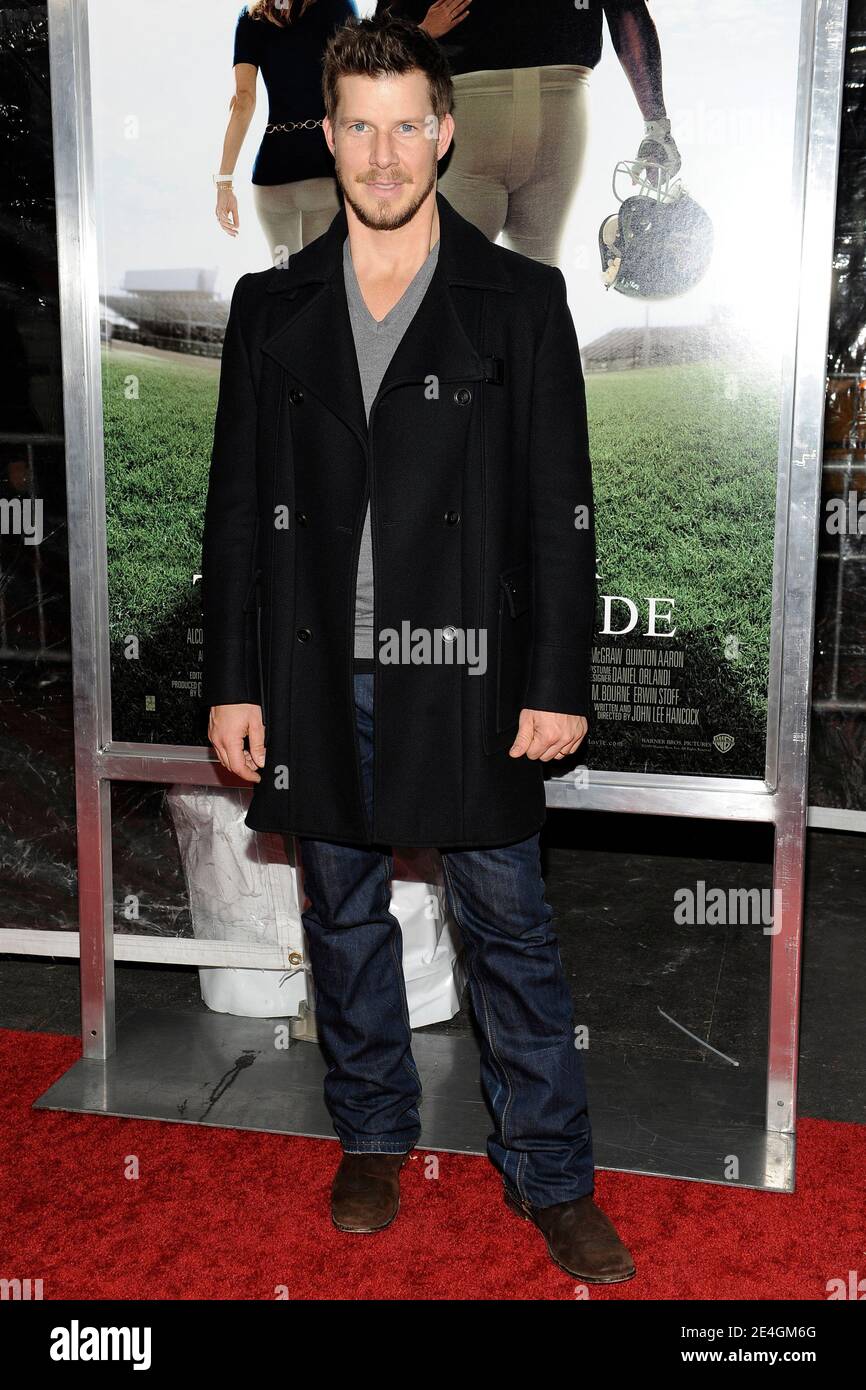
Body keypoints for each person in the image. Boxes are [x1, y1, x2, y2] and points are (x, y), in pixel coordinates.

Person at [201, 11, 635, 1283]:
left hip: (474, 676)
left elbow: (563, 502)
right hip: (316, 670)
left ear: (444, 132)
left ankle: (550, 1174)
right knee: (339, 917)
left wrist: (558, 679)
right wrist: (235, 679)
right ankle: (374, 1134)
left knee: (509, 928)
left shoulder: (521, 298)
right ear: (325, 137)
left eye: (407, 126)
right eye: (359, 128)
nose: (383, 155)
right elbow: (237, 511)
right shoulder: (269, 304)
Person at [378, 0, 681, 267]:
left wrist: (420, 34)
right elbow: (627, 13)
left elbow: (379, 46)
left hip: (474, 109)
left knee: (455, 277)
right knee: (540, 274)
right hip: (560, 108)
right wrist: (657, 125)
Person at [214, 0, 356, 262]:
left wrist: (224, 183)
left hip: (271, 179)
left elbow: (243, 101)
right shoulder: (337, 6)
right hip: (322, 169)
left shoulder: (251, 16)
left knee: (284, 280)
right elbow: (356, 86)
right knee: (320, 282)